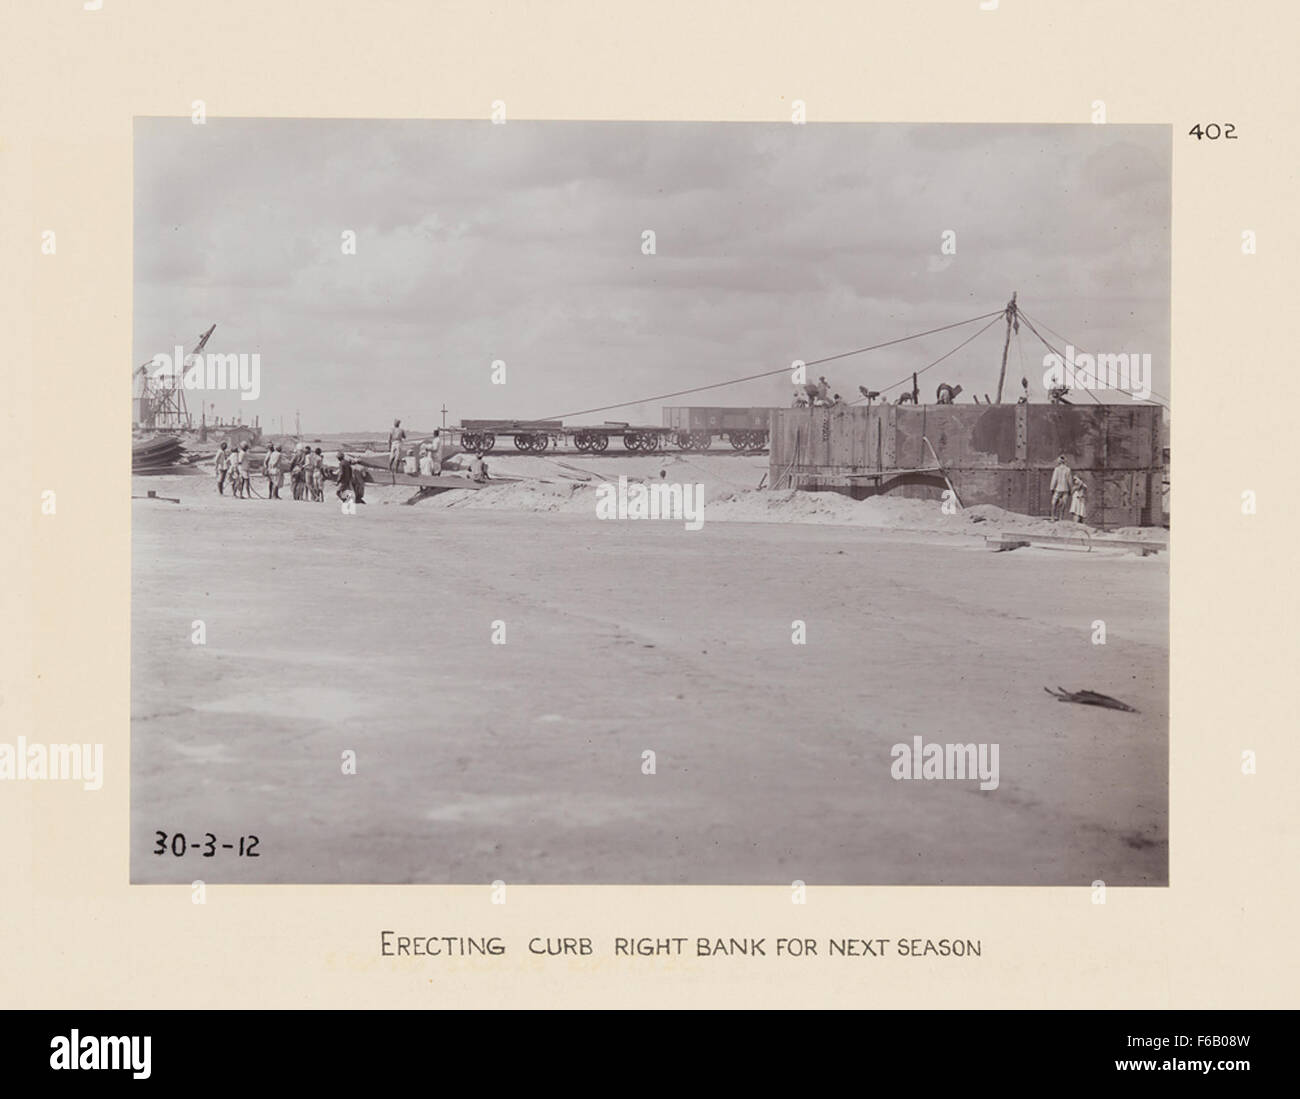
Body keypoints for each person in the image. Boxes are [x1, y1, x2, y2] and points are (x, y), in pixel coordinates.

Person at [1049, 454, 1073, 521]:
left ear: (1059, 461)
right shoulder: (1068, 470)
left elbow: (1054, 479)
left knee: (1054, 502)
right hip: (1065, 489)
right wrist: (1071, 489)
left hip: (1058, 488)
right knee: (1063, 503)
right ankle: (1061, 518)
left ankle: (1052, 517)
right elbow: (1070, 480)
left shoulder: (1057, 469)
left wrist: (1052, 488)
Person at [388, 418, 406, 484]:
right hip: (398, 443)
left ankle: (391, 469)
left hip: (394, 443)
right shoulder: (401, 430)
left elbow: (389, 439)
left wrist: (389, 447)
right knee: (397, 457)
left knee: (393, 457)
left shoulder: (392, 430)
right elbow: (404, 437)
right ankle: (395, 470)